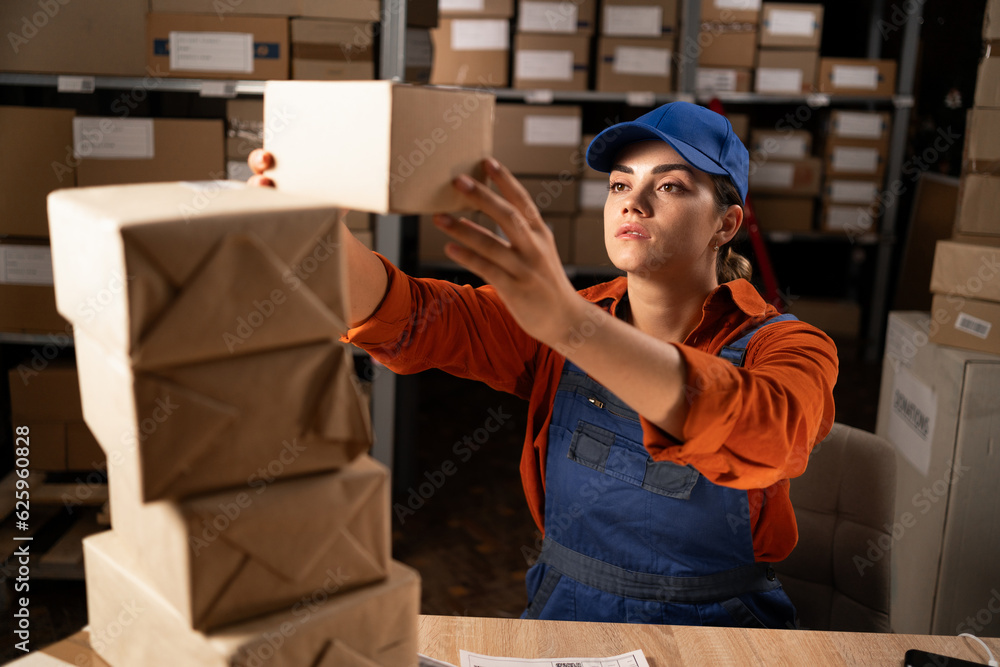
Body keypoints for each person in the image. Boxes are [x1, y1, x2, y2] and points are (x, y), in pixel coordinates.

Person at [248, 101, 838, 629]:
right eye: (618, 185)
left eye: (672, 186)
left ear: (726, 224)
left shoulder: (789, 347)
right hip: (567, 613)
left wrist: (569, 327)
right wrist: (313, 224)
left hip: (721, 631)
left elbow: (772, 434)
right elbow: (411, 316)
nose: (632, 201)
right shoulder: (559, 317)